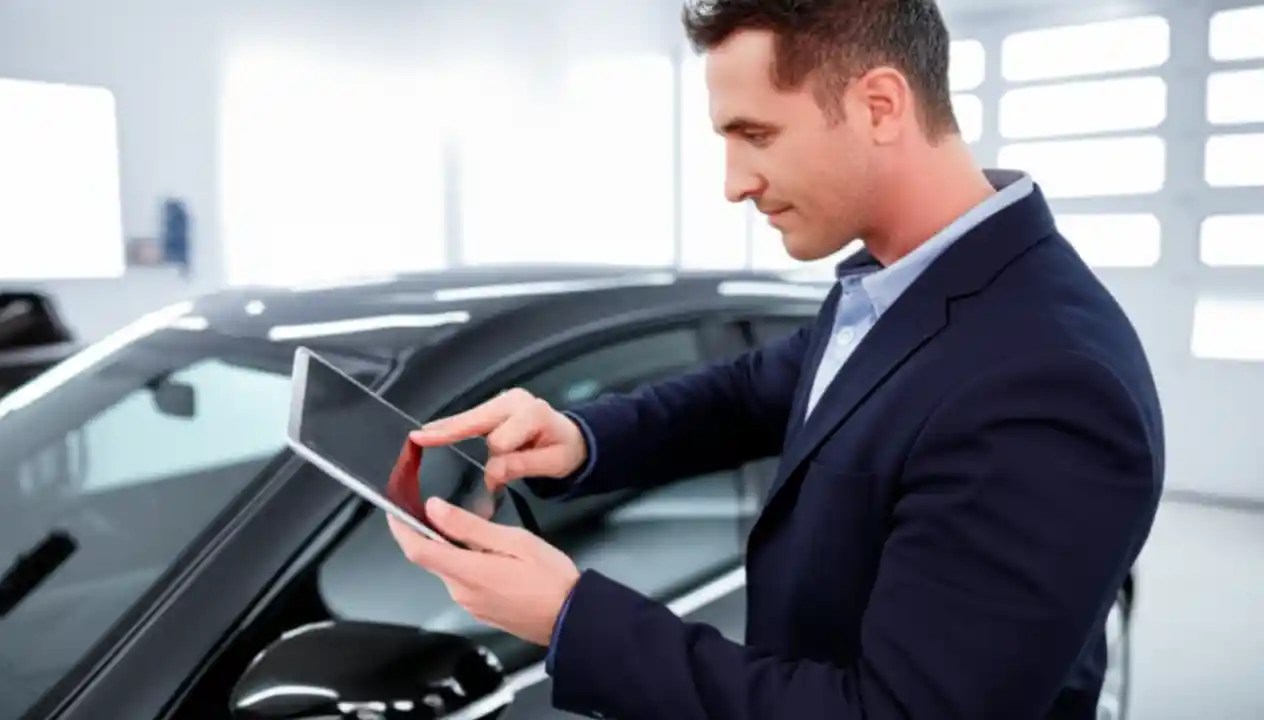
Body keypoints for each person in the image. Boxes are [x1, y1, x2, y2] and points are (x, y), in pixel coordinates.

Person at [386, 0, 1165, 717]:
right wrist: (582, 438)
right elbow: (751, 390)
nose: (734, 184)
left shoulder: (1048, 384)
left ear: (880, 106)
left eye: (756, 135)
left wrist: (570, 617)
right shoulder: (894, 283)